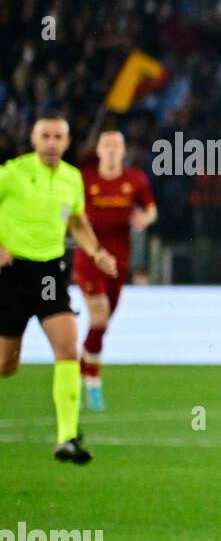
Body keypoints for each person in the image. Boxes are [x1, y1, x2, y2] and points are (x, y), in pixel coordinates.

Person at [0, 116, 118, 462]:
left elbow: (77, 221)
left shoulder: (72, 178)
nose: (52, 142)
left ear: (66, 142)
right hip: (11, 273)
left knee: (67, 347)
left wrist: (96, 252)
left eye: (58, 137)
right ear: (33, 138)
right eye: (46, 136)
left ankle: (67, 436)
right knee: (6, 364)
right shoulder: (12, 172)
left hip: (50, 273)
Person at [73, 130, 157, 410]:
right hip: (89, 259)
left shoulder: (134, 180)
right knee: (98, 318)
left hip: (119, 263)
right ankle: (93, 382)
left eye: (116, 145)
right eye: (106, 144)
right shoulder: (84, 180)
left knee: (103, 324)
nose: (111, 149)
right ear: (98, 150)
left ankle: (77, 371)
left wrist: (144, 219)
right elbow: (71, 214)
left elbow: (151, 209)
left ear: (123, 151)